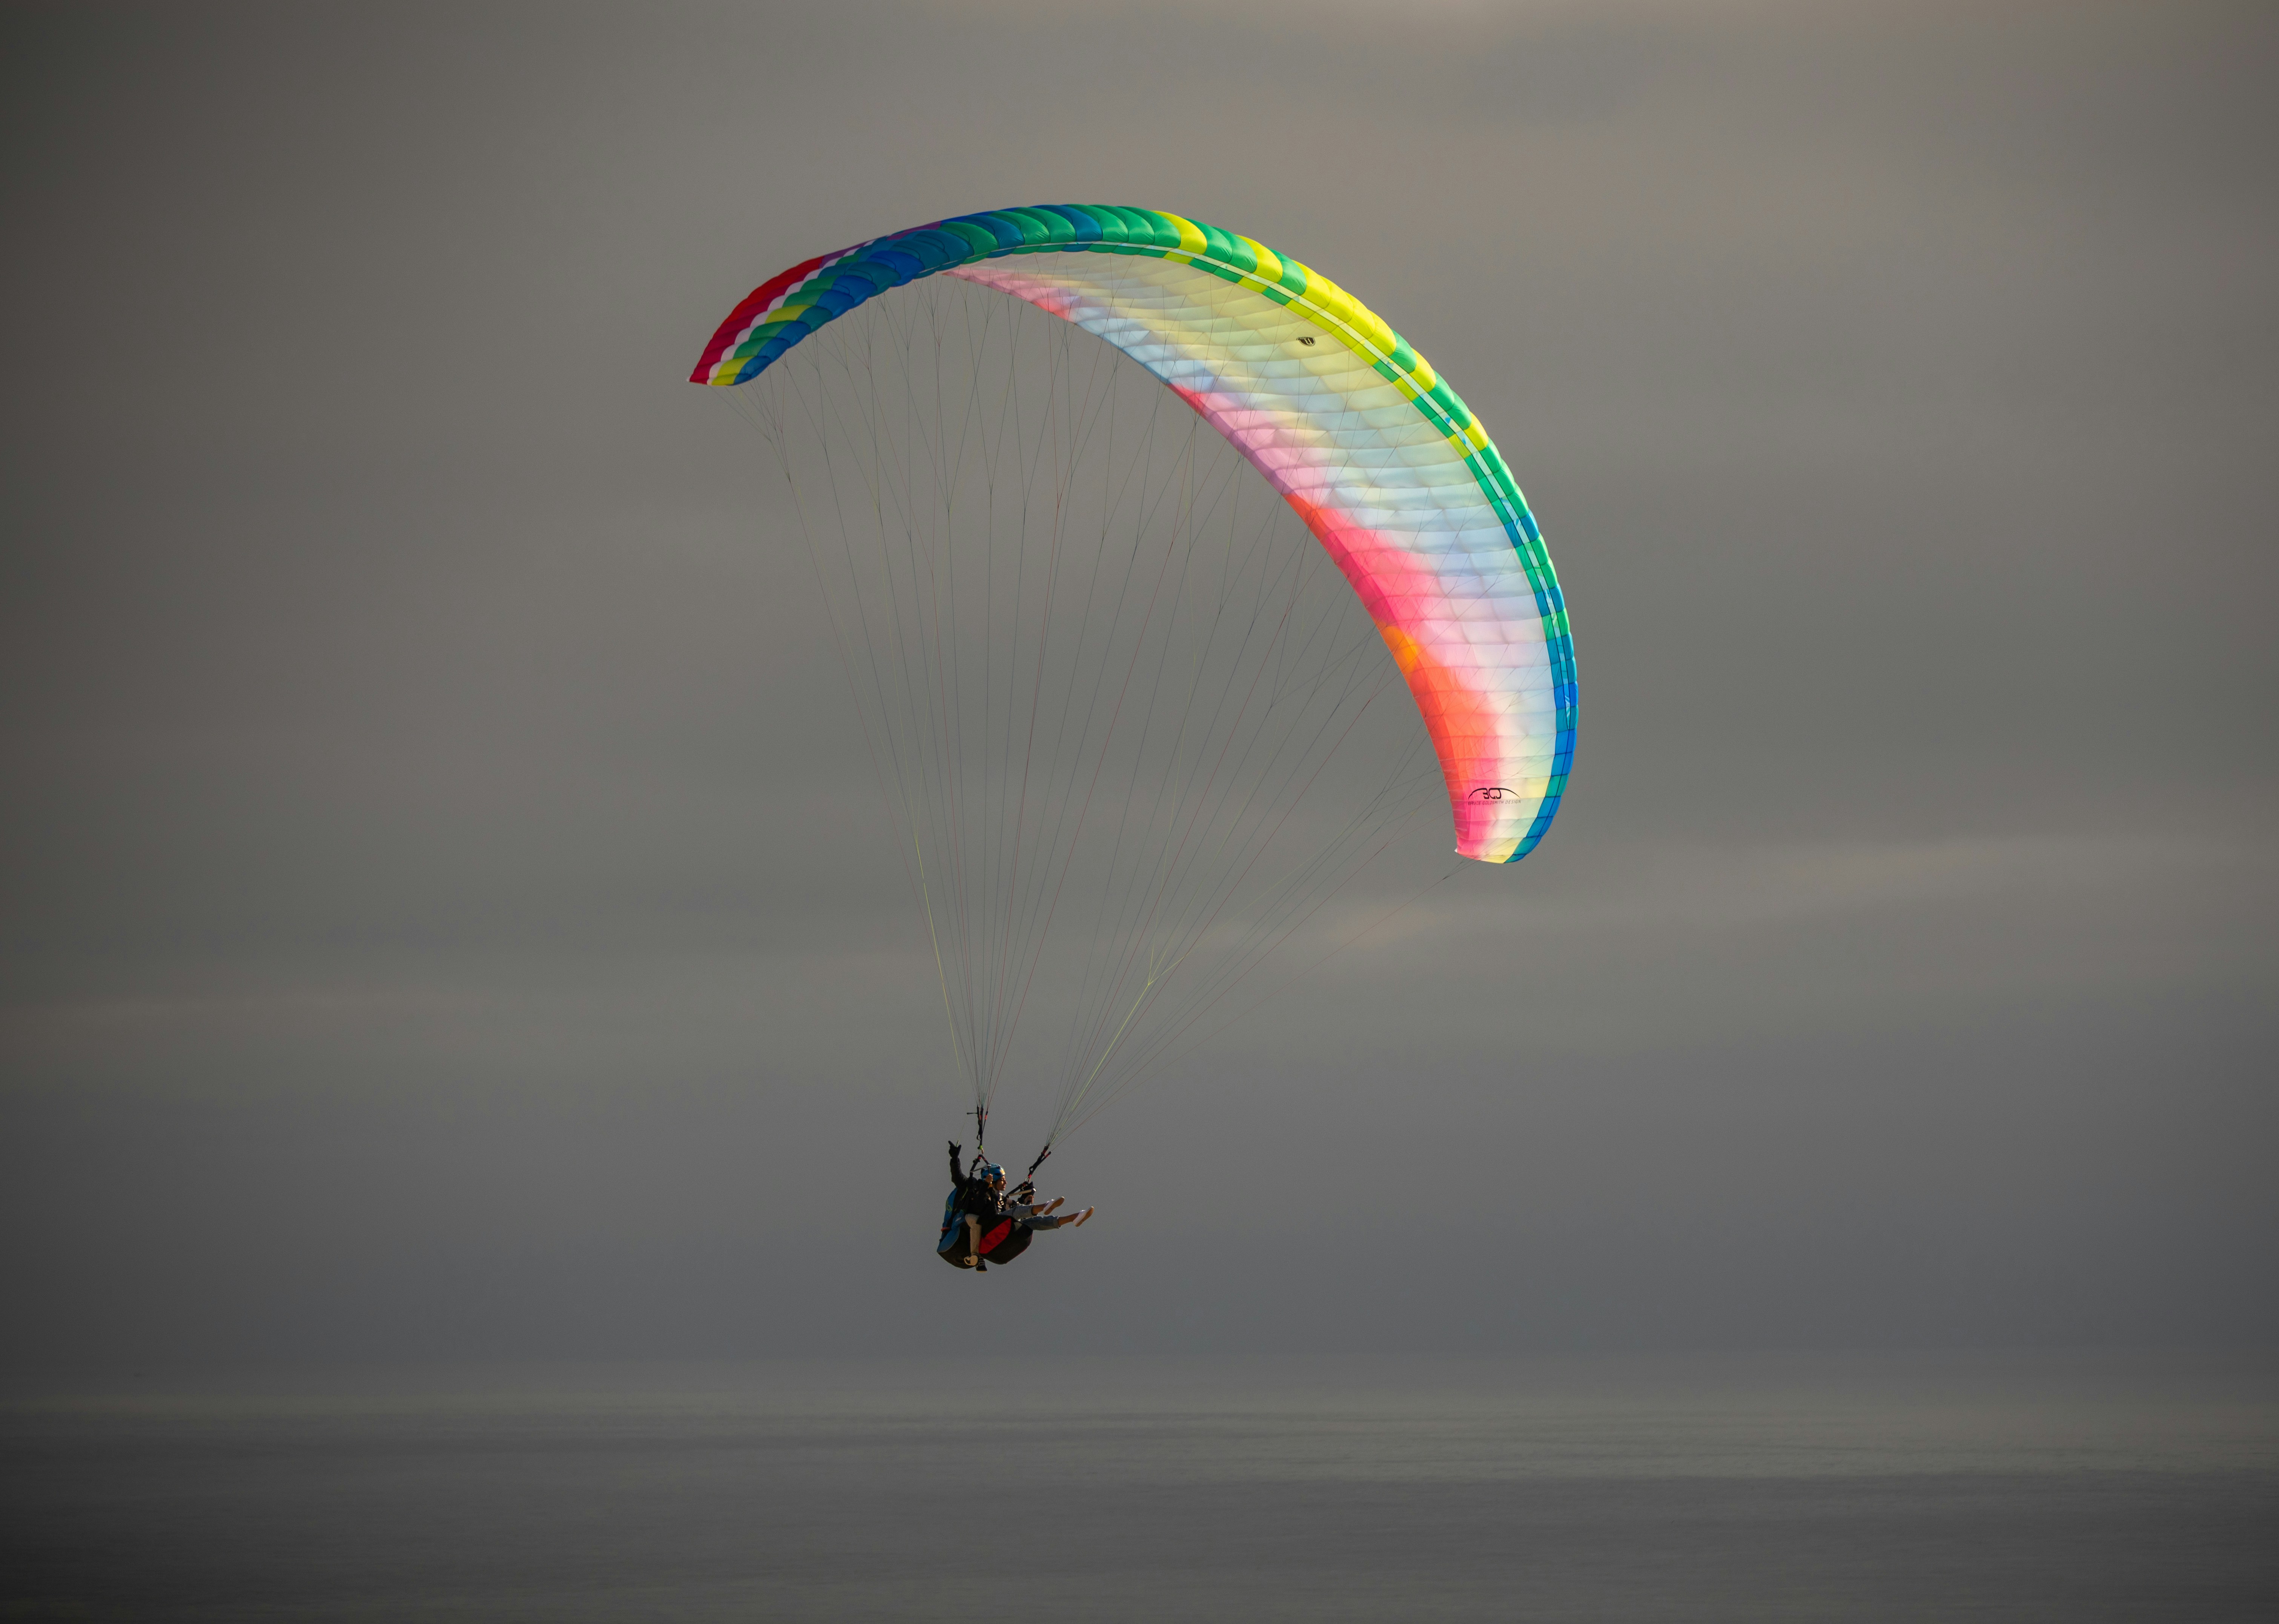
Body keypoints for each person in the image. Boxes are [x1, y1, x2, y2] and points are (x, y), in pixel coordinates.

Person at [943, 1142, 1092, 1271]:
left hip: (995, 1227)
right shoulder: (975, 1188)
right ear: (993, 1180)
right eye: (1002, 1180)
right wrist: (955, 1159)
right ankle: (1046, 1206)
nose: (1006, 1183)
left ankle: (1073, 1218)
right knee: (1016, 1213)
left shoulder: (1003, 1200)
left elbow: (1020, 1208)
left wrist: (1028, 1198)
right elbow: (958, 1178)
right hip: (981, 1224)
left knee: (1030, 1223)